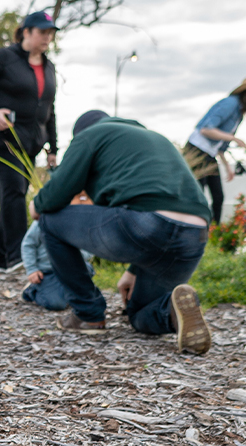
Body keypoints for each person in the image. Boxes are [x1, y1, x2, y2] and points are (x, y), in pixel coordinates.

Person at [31, 110, 213, 355]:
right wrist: (133, 271)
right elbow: (165, 210)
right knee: (139, 313)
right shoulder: (155, 138)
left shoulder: (91, 135)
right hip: (195, 234)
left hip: (145, 223)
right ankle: (171, 311)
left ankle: (88, 314)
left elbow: (58, 192)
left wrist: (36, 205)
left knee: (50, 219)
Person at [0, 10, 59, 273]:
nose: (47, 37)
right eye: (42, 32)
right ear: (26, 32)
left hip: (30, 144)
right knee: (15, 190)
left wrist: (53, 147)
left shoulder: (49, 66)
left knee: (13, 194)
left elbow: (51, 110)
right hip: (0, 139)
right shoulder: (4, 58)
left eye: (50, 33)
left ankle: (0, 259)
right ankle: (20, 258)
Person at [184, 75, 246, 223]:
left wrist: (227, 167)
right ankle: (196, 231)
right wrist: (233, 138)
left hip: (210, 154)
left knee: (218, 196)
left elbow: (220, 146)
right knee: (198, 196)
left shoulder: (239, 113)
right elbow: (205, 129)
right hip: (197, 151)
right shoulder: (229, 104)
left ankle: (214, 232)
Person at [20, 192, 94, 311]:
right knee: (57, 304)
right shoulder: (45, 220)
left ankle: (69, 292)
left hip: (71, 268)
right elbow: (28, 244)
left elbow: (90, 249)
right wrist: (32, 269)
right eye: (78, 198)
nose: (82, 203)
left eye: (85, 199)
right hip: (47, 271)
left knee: (87, 270)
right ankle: (33, 291)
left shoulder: (84, 225)